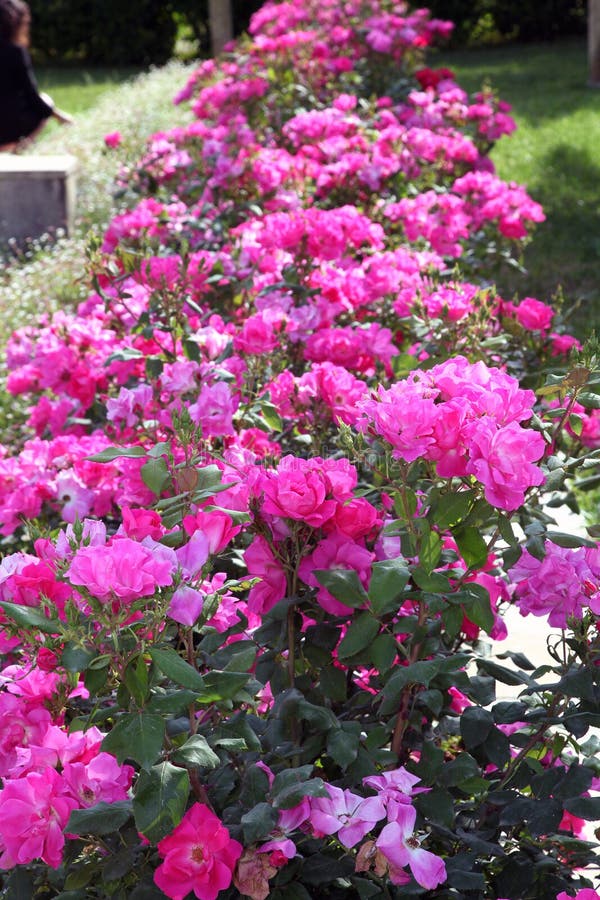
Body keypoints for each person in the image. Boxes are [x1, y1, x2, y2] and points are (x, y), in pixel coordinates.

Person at [0, 0, 73, 152]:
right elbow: (33, 98)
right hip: (9, 130)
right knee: (46, 100)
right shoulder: (16, 53)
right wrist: (60, 116)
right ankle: (18, 149)